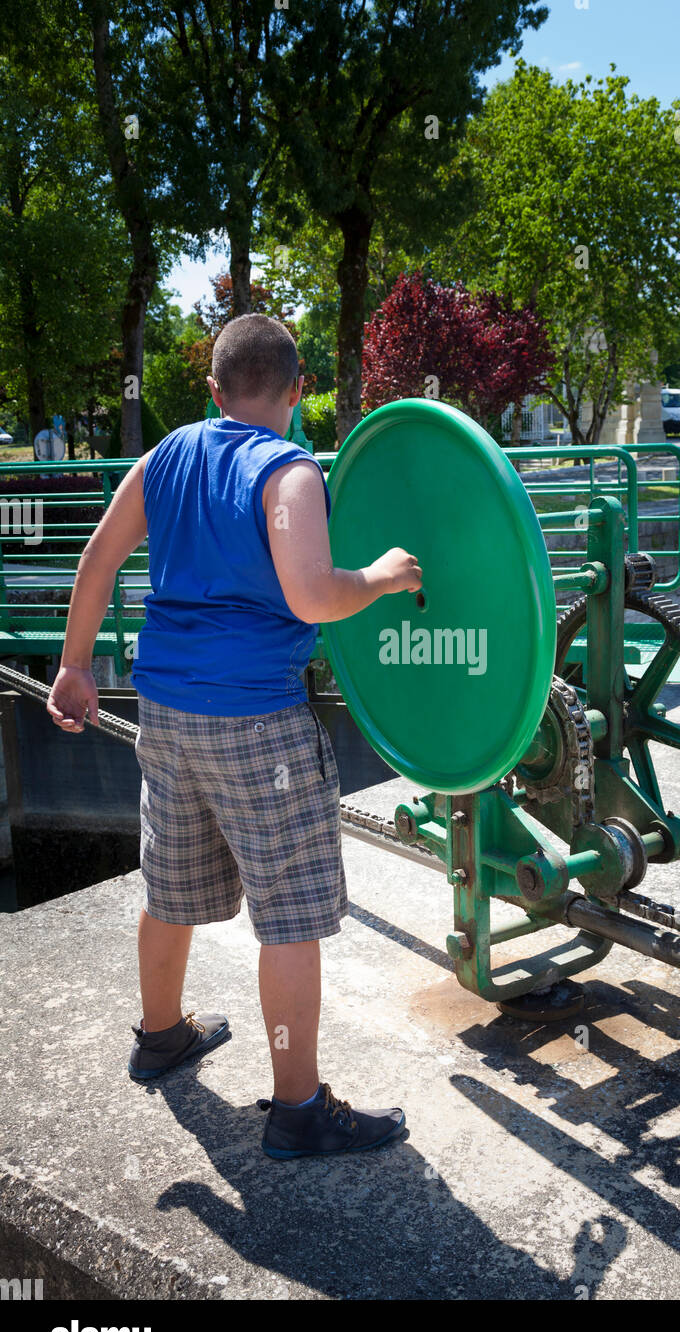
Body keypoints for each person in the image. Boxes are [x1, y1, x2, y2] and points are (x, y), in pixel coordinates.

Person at [46, 314, 422, 1160]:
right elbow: (313, 597)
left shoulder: (166, 455)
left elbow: (99, 559)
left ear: (212, 391)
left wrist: (74, 668)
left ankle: (161, 1035)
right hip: (258, 723)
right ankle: (297, 1108)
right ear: (297, 393)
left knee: (167, 883)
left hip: (166, 715)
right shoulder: (287, 470)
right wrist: (384, 577)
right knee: (287, 915)